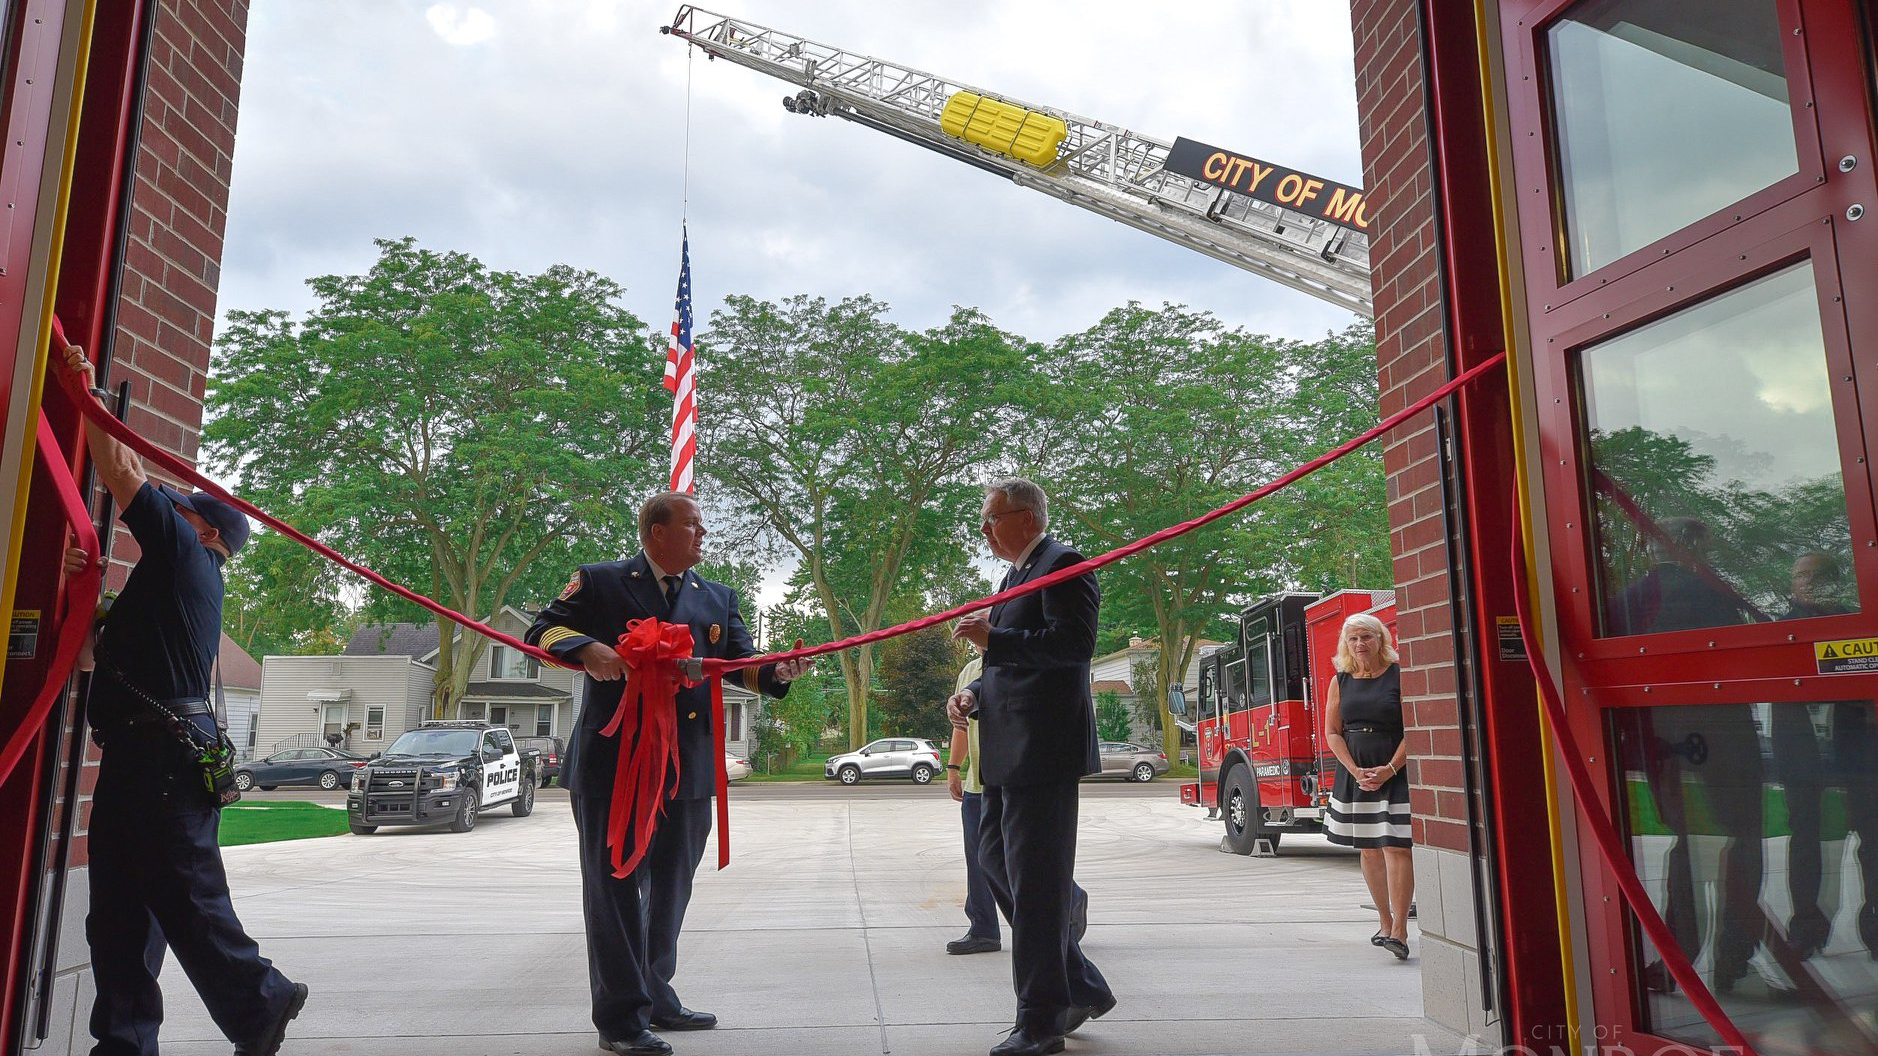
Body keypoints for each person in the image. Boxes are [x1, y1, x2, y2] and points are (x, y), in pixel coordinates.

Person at [57, 343, 307, 1056]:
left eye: (179, 509)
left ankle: (262, 998)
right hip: (147, 753)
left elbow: (122, 470)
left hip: (161, 761)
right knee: (122, 914)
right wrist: (78, 592)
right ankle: (126, 1041)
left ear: (202, 530)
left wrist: (83, 393)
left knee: (186, 896)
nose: (166, 509)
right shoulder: (170, 587)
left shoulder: (184, 557)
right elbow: (84, 661)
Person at [526, 492, 810, 1056]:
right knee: (613, 891)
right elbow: (540, 632)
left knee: (672, 888)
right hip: (616, 767)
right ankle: (621, 1020)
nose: (703, 535)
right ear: (657, 532)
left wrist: (777, 670)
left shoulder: (717, 597)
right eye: (693, 525)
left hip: (688, 766)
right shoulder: (601, 581)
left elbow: (740, 667)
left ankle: (656, 995)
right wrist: (589, 650)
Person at [947, 478, 1114, 1056]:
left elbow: (1073, 646)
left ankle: (1040, 1023)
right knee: (995, 862)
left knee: (1038, 890)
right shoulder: (1016, 574)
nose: (985, 531)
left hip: (1042, 752)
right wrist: (975, 697)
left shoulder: (1063, 563)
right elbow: (1014, 663)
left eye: (992, 519)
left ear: (1025, 517)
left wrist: (994, 639)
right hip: (1005, 750)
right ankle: (1082, 984)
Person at [944, 648, 1089, 957]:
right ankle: (983, 928)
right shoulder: (969, 672)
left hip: (1014, 777)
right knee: (981, 859)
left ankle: (1069, 900)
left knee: (1023, 858)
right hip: (977, 782)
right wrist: (954, 767)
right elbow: (961, 726)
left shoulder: (1022, 662)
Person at [1771, 552, 1878, 961]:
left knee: (1874, 837)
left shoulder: (1858, 623)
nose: (1809, 583)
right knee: (1805, 838)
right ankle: (1806, 930)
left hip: (1859, 749)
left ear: (1837, 581)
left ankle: (1875, 928)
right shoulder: (1779, 629)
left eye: (1818, 576)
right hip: (1801, 750)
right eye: (1801, 576)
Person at [1322, 613, 1414, 960]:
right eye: (1353, 639)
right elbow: (1333, 731)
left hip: (1395, 769)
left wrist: (1390, 769)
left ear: (1381, 640)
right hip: (1355, 772)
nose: (1360, 644)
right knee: (1370, 849)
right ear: (1345, 644)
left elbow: (1413, 728)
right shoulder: (1340, 680)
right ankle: (1384, 922)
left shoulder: (1399, 675)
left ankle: (1402, 931)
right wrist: (1354, 770)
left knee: (1395, 846)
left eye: (1366, 637)